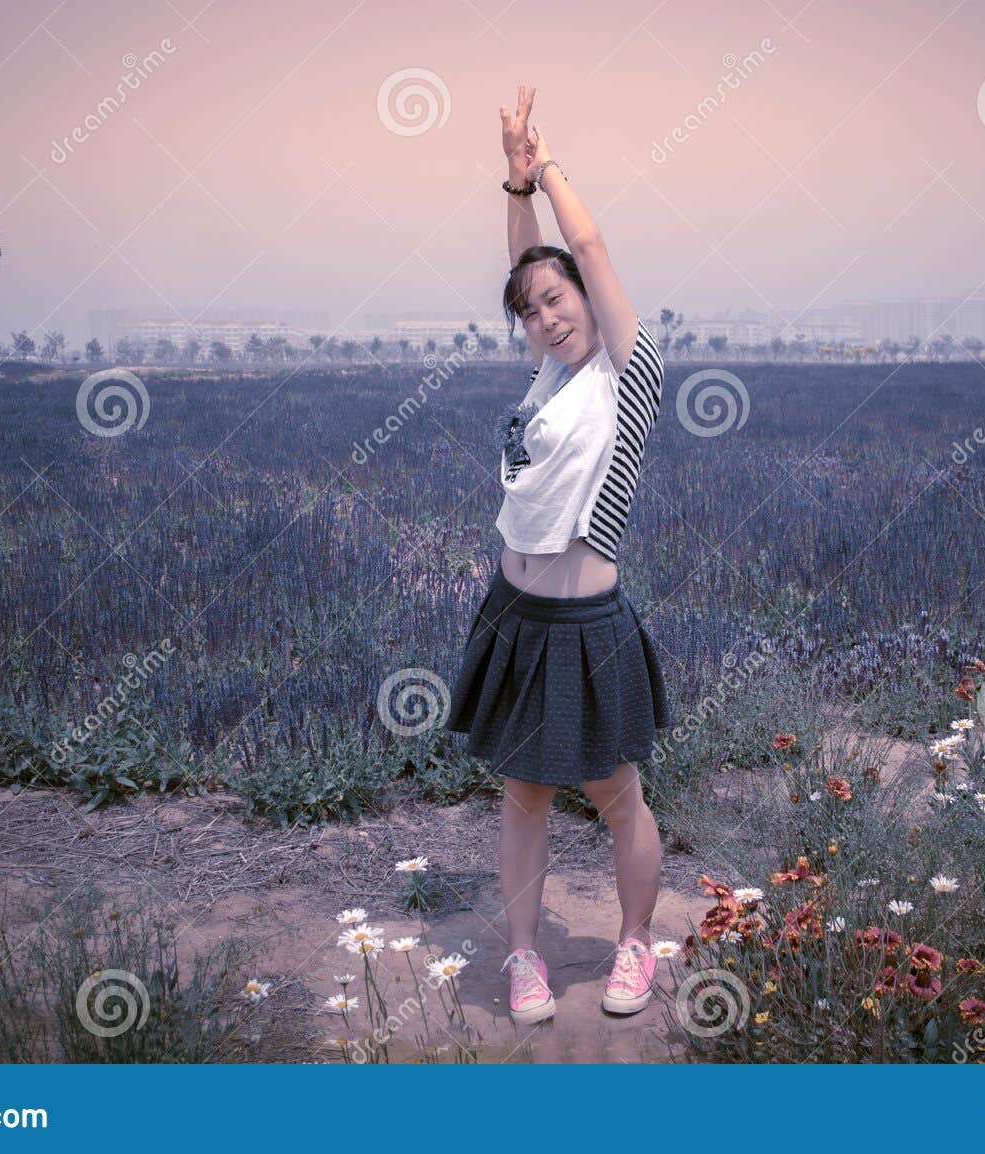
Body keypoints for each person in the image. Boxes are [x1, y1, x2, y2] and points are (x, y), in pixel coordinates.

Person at [444, 85, 673, 1027]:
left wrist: (548, 165)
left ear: (591, 299)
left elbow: (588, 248)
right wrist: (511, 182)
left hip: (589, 623)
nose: (545, 315)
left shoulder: (629, 370)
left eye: (558, 299)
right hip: (517, 614)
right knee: (525, 797)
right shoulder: (548, 379)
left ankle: (632, 946)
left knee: (616, 794)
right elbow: (529, 259)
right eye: (530, 309)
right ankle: (527, 960)